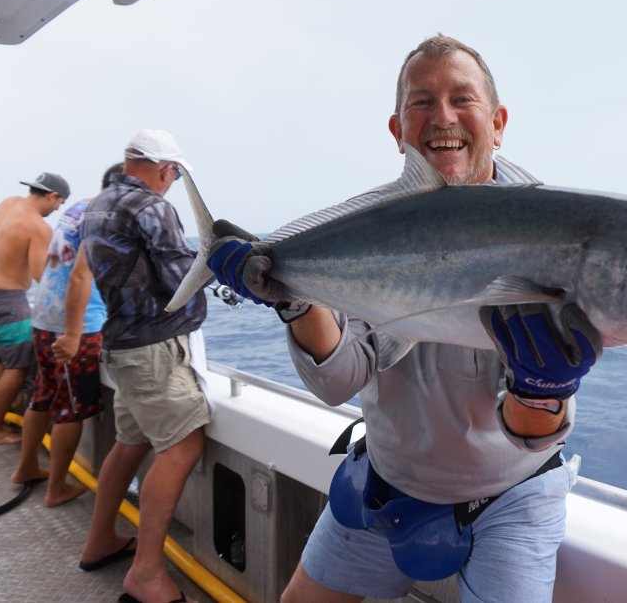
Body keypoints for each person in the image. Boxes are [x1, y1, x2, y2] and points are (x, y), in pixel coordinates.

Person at [207, 35, 602, 603]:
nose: (442, 116)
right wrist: (294, 298)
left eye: (462, 99)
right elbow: (338, 379)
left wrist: (544, 390)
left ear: (498, 121)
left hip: (510, 495)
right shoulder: (364, 231)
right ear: (398, 131)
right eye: (421, 102)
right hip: (387, 485)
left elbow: (528, 440)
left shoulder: (546, 232)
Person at [77, 129, 208, 603]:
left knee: (129, 444)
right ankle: (146, 574)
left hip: (121, 344)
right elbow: (182, 279)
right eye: (173, 172)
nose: (172, 180)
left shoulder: (99, 203)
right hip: (153, 349)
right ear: (162, 167)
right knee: (182, 446)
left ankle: (99, 542)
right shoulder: (153, 206)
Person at [9, 163, 123, 506]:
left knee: (43, 394)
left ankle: (25, 469)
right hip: (76, 324)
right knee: (70, 408)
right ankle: (56, 488)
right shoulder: (106, 216)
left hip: (44, 315)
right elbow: (86, 275)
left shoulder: (77, 208)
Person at [0, 172, 69, 446]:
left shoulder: (7, 204)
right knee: (19, 365)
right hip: (5, 302)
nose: (57, 209)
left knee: (3, 360)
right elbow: (41, 277)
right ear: (52, 196)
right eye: (59, 204)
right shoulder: (38, 227)